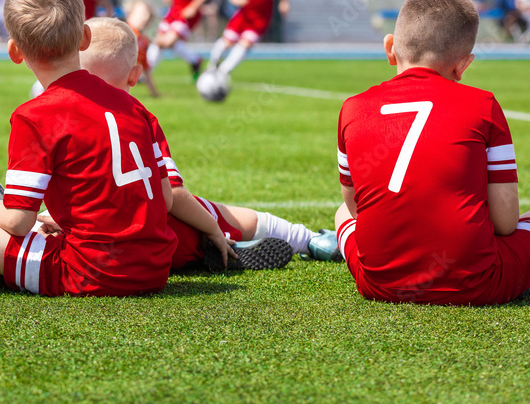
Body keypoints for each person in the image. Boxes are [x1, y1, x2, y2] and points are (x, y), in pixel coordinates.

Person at [0, 0, 178, 296]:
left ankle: (1, 270)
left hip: (90, 272)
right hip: (156, 268)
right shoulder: (135, 107)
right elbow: (165, 199)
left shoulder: (35, 115)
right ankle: (10, 266)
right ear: (85, 37)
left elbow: (17, 221)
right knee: (40, 224)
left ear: (14, 51)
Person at [333, 0, 530, 305]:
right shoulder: (482, 105)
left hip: (378, 283)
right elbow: (506, 223)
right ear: (463, 65)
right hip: (477, 283)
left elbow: (356, 208)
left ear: (390, 47)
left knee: (340, 213)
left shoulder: (353, 107)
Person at [79, 18, 342, 269]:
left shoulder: (64, 118)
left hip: (92, 247)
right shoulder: (139, 118)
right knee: (215, 213)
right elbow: (172, 195)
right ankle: (305, 239)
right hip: (163, 243)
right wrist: (212, 227)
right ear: (135, 76)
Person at [124, 0, 158, 97]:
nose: (146, 17)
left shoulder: (143, 41)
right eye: (142, 13)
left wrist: (155, 94)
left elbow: (146, 70)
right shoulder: (119, 34)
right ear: (129, 14)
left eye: (148, 14)